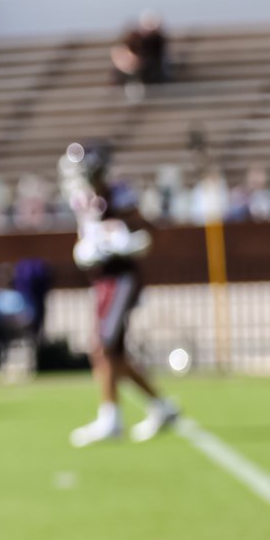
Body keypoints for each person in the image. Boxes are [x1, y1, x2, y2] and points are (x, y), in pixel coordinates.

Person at [59, 146, 180, 446]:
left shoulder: (118, 195)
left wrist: (126, 242)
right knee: (111, 352)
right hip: (102, 279)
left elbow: (144, 233)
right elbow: (88, 236)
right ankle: (160, 406)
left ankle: (110, 417)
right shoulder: (84, 199)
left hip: (120, 278)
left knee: (103, 346)